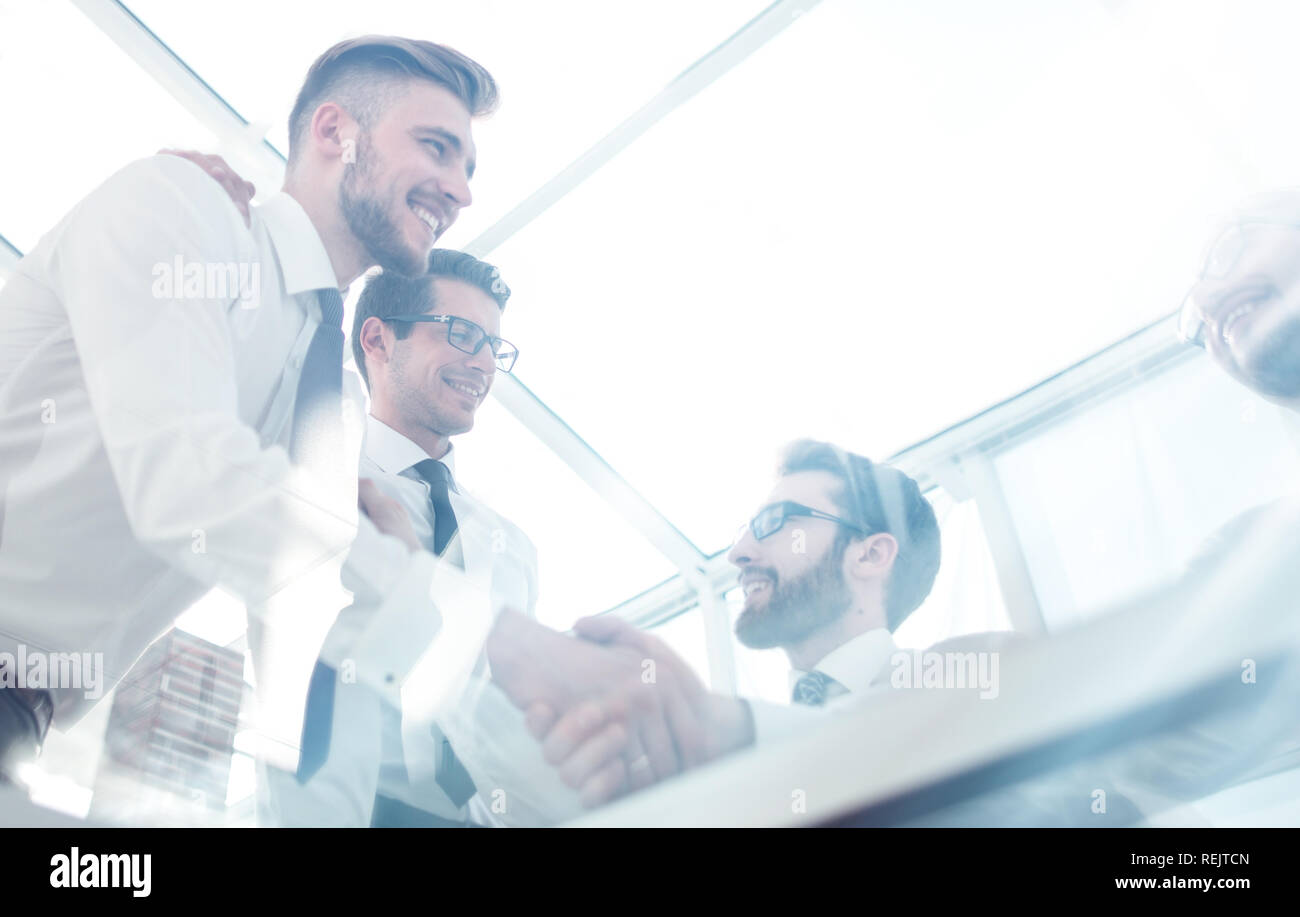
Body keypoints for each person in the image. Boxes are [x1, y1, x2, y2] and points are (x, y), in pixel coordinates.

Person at [0, 35, 499, 788]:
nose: (459, 189)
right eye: (436, 148)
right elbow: (185, 480)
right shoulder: (183, 208)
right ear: (336, 132)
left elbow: (313, 628)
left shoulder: (333, 404)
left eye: (467, 168)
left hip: (22, 726)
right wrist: (494, 633)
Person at [261, 249, 543, 828]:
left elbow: (509, 715)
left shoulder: (511, 548)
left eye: (494, 346)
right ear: (378, 339)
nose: (483, 363)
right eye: (463, 334)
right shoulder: (313, 479)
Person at [727, 440, 941, 706]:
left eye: (775, 520)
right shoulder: (757, 738)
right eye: (744, 532)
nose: (737, 553)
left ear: (871, 555)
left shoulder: (962, 702)